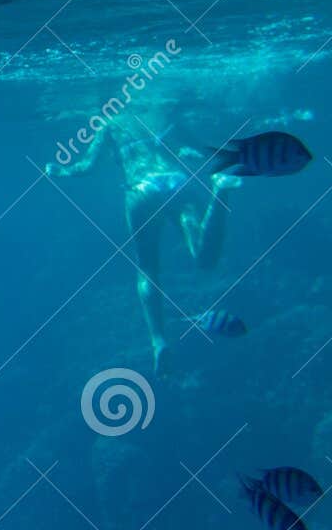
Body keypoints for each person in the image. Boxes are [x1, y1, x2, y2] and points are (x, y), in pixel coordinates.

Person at [46, 119, 238, 375]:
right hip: (176, 182)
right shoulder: (167, 112)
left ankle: (158, 340)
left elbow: (86, 167)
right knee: (205, 259)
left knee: (148, 268)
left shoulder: (110, 123)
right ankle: (220, 191)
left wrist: (59, 171)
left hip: (141, 190)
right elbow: (203, 148)